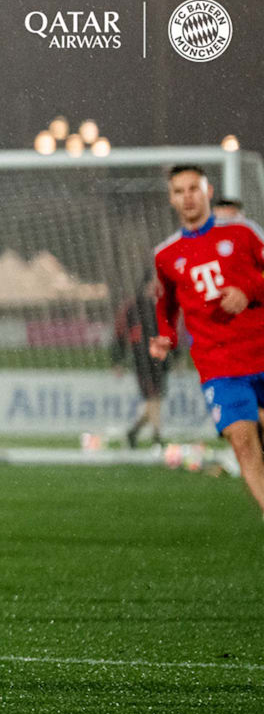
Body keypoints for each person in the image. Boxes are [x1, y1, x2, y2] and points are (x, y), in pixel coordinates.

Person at [150, 165, 264, 517]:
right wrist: (166, 337)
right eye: (180, 191)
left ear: (208, 191)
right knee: (243, 442)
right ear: (171, 199)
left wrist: (248, 291)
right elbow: (166, 304)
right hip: (219, 366)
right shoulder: (166, 255)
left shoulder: (243, 232)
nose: (188, 197)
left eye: (193, 189)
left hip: (260, 351)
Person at [111, 269, 170, 449]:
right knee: (152, 398)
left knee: (155, 400)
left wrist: (177, 356)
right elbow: (119, 334)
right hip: (142, 361)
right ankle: (157, 438)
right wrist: (117, 360)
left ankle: (133, 432)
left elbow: (171, 333)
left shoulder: (163, 306)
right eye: (153, 283)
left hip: (161, 360)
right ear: (145, 285)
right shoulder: (132, 307)